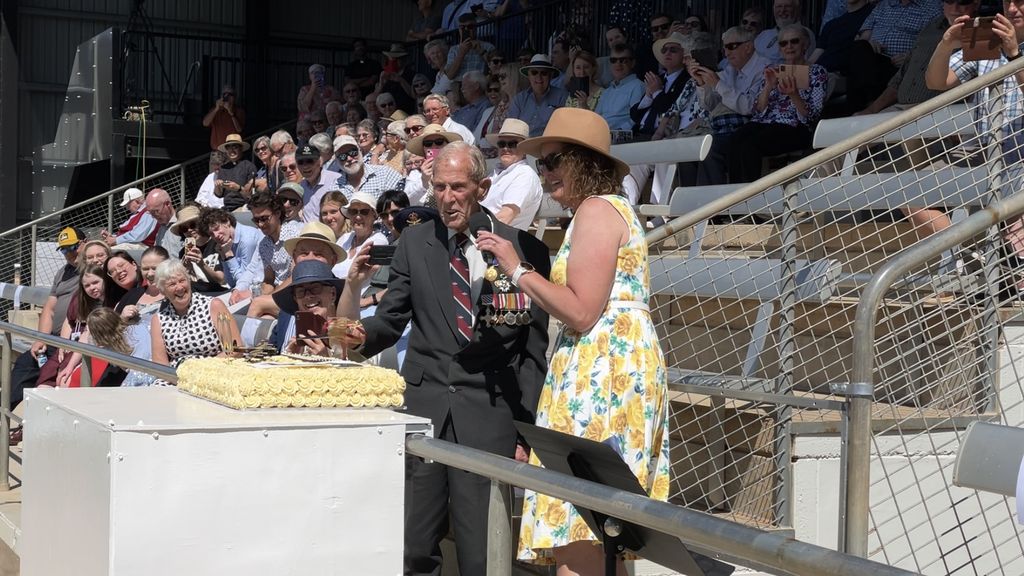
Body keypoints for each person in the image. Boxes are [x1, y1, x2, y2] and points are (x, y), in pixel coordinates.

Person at [334, 141, 550, 576]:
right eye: (438, 188)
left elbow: (532, 351)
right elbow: (391, 320)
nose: (447, 198)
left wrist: (525, 432)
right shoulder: (415, 241)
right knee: (414, 548)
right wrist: (356, 328)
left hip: (488, 416)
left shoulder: (523, 249)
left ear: (482, 187)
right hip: (425, 409)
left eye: (457, 187)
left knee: (480, 552)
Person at [473, 107, 670, 573]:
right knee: (597, 537)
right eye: (541, 164)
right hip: (601, 367)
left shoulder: (599, 209)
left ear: (584, 162)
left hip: (604, 374)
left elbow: (581, 310)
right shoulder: (600, 210)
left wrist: (516, 268)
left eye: (553, 160)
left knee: (583, 532)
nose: (545, 173)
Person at [727, 24, 827, 183]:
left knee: (750, 146)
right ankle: (733, 194)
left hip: (795, 126)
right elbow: (758, 111)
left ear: (805, 44)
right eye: (783, 43)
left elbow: (812, 117)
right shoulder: (773, 70)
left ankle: (747, 196)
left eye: (794, 41)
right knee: (734, 140)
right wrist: (768, 86)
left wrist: (793, 94)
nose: (789, 47)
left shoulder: (816, 71)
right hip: (764, 123)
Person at [859, 0, 980, 116]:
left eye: (963, 1)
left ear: (976, 3)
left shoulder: (980, 35)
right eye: (948, 0)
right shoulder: (931, 27)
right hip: (899, 110)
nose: (954, 8)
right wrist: (872, 109)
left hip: (939, 118)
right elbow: (900, 78)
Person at [9, 227, 85, 408]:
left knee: (49, 378)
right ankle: (6, 417)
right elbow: (49, 309)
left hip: (75, 340)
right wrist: (40, 339)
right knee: (24, 364)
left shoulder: (92, 271)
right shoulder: (63, 272)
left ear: (84, 243)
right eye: (64, 250)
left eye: (73, 247)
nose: (69, 254)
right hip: (53, 339)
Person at [691, 26, 772, 185]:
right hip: (729, 129)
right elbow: (709, 105)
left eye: (731, 46)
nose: (727, 52)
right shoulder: (729, 70)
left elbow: (751, 108)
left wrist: (718, 84)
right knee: (690, 151)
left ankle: (714, 206)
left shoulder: (765, 68)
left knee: (709, 148)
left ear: (748, 47)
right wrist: (701, 82)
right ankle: (695, 205)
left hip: (755, 127)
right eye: (724, 48)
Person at [151, 259, 240, 369]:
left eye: (182, 280)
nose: (179, 287)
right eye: (172, 284)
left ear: (189, 281)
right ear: (163, 291)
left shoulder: (214, 306)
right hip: (174, 377)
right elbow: (160, 365)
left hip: (215, 370)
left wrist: (199, 369)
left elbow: (233, 349)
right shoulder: (159, 320)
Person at [42, 264, 116, 388]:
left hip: (104, 352)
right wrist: (65, 351)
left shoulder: (114, 300)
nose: (92, 288)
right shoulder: (83, 300)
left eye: (96, 282)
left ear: (105, 279)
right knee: (49, 379)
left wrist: (70, 366)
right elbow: (78, 328)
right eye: (87, 285)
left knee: (66, 381)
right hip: (82, 347)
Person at [229, 191, 304, 304]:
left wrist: (268, 298)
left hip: (296, 293)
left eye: (264, 218)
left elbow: (296, 276)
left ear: (278, 213)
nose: (260, 224)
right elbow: (269, 280)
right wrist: (257, 295)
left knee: (257, 307)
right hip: (277, 295)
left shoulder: (294, 236)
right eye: (256, 220)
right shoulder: (264, 244)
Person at [483, 118, 542, 231]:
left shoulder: (524, 176)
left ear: (524, 148)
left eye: (513, 144)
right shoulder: (495, 173)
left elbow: (504, 217)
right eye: (501, 144)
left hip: (496, 239)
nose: (505, 148)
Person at [630, 32, 690, 139]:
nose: (667, 53)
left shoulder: (688, 79)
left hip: (662, 137)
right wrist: (648, 96)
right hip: (639, 133)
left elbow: (670, 110)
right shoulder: (658, 79)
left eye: (673, 50)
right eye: (664, 50)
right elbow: (635, 115)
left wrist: (657, 92)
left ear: (684, 54)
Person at [508, 54, 570, 137]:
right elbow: (511, 129)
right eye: (534, 73)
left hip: (549, 144)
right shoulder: (519, 99)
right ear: (529, 76)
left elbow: (565, 127)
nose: (539, 77)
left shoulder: (562, 97)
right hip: (523, 145)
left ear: (550, 76)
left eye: (544, 73)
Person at [170, 204, 226, 295]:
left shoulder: (217, 244)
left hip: (220, 292)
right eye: (184, 228)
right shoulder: (184, 253)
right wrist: (186, 272)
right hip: (198, 295)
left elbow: (221, 280)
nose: (189, 230)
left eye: (193, 225)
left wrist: (201, 264)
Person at [201, 207, 263, 289]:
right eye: (211, 234)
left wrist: (229, 255)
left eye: (217, 228)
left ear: (227, 222)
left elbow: (245, 283)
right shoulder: (227, 243)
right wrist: (223, 256)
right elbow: (231, 283)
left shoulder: (247, 240)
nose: (216, 235)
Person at [809, 0, 874, 77]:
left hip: (841, 76)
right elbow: (814, 57)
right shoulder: (831, 24)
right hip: (817, 74)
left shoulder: (873, 15)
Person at [334, 192, 389, 281]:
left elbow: (359, 276)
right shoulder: (344, 238)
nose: (358, 217)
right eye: (353, 211)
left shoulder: (379, 241)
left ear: (374, 216)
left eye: (364, 212)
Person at [335, 135, 405, 202]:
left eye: (353, 152)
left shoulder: (385, 174)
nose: (349, 158)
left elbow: (404, 199)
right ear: (337, 160)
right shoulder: (335, 187)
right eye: (342, 156)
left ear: (360, 151)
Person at [594, 43, 645, 132]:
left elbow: (636, 118)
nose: (618, 64)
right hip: (601, 135)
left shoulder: (638, 86)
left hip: (621, 138)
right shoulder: (607, 91)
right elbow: (596, 117)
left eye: (623, 60)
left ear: (632, 63)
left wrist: (619, 131)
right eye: (613, 60)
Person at [295, 144, 343, 223]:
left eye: (310, 161)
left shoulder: (336, 180)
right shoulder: (301, 187)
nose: (305, 166)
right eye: (301, 162)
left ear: (319, 161)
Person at [445, 13, 495, 82]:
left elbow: (496, 66)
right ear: (459, 29)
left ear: (476, 28)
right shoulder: (454, 49)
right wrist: (461, 54)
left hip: (478, 84)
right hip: (459, 85)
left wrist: (481, 51)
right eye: (462, 27)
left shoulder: (488, 46)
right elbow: (450, 75)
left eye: (470, 27)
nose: (466, 29)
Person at [214, 134, 258, 211]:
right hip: (227, 208)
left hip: (245, 206)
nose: (231, 150)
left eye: (235, 147)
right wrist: (217, 185)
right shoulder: (223, 168)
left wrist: (238, 188)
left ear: (241, 149)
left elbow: (253, 194)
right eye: (228, 148)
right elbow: (218, 194)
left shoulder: (249, 166)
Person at [201, 84, 245, 150]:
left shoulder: (239, 111)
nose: (227, 97)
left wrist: (231, 113)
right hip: (217, 150)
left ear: (235, 97)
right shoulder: (216, 110)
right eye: (225, 94)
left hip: (233, 149)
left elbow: (239, 129)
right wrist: (216, 109)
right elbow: (205, 123)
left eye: (230, 94)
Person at [145, 188, 184, 258]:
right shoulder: (161, 230)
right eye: (150, 213)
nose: (153, 216)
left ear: (167, 204)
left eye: (156, 211)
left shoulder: (183, 224)